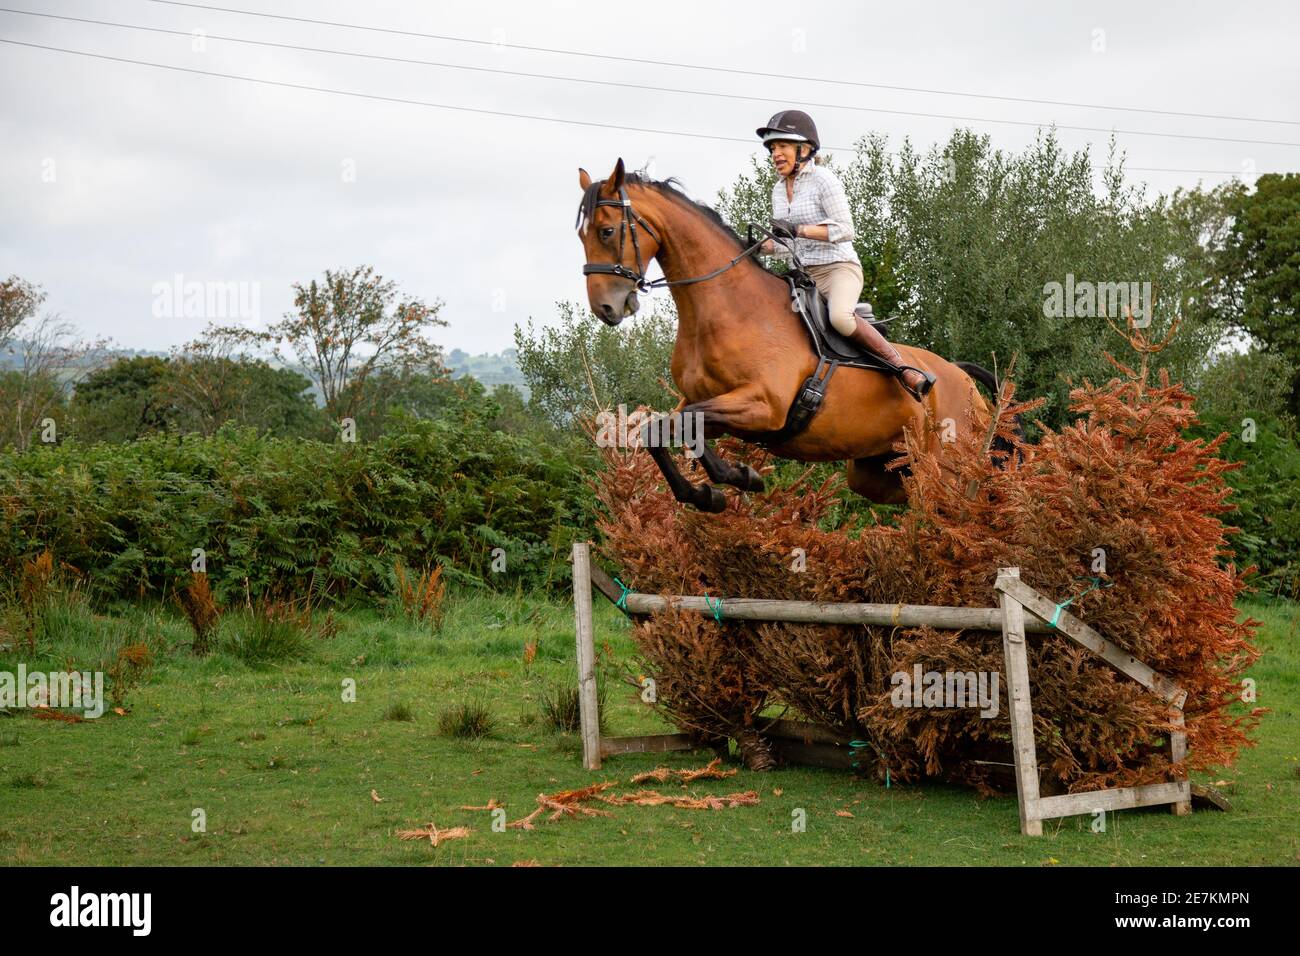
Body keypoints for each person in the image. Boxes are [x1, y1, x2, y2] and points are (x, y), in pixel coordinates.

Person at [756, 110, 934, 400]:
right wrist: (757, 245)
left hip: (838, 269)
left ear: (804, 149)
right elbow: (782, 242)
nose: (776, 154)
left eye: (782, 146)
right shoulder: (778, 190)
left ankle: (904, 369)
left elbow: (845, 229)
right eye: (773, 148)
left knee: (839, 317)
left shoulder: (824, 180)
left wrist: (799, 229)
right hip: (803, 278)